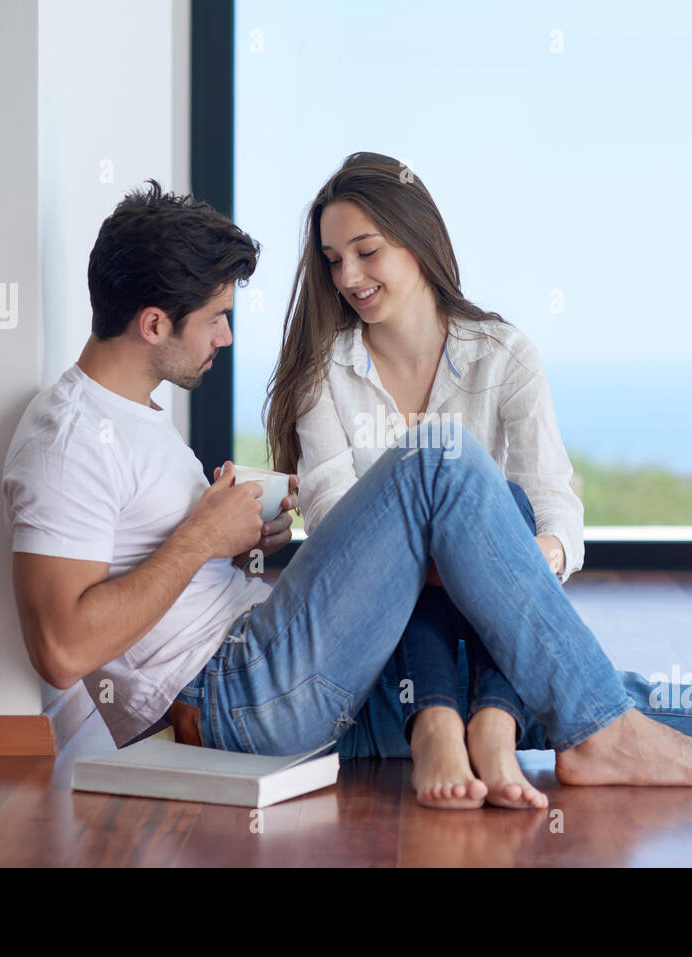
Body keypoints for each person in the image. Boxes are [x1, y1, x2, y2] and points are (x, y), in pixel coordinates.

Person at [1, 179, 692, 797]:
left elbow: (156, 581)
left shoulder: (131, 423)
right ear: (150, 321)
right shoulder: (65, 436)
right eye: (215, 317)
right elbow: (60, 645)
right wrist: (200, 537)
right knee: (441, 463)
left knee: (590, 689)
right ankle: (600, 739)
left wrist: (239, 537)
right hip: (229, 701)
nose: (226, 336)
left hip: (274, 664)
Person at [265, 152, 585, 810]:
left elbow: (558, 514)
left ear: (416, 239)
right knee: (427, 525)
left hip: (493, 611)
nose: (348, 276)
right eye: (332, 260)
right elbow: (334, 525)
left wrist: (514, 562)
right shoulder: (321, 373)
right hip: (384, 621)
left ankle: (494, 725)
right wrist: (451, 553)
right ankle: (436, 722)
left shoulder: (504, 356)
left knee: (513, 505)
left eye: (366, 251)